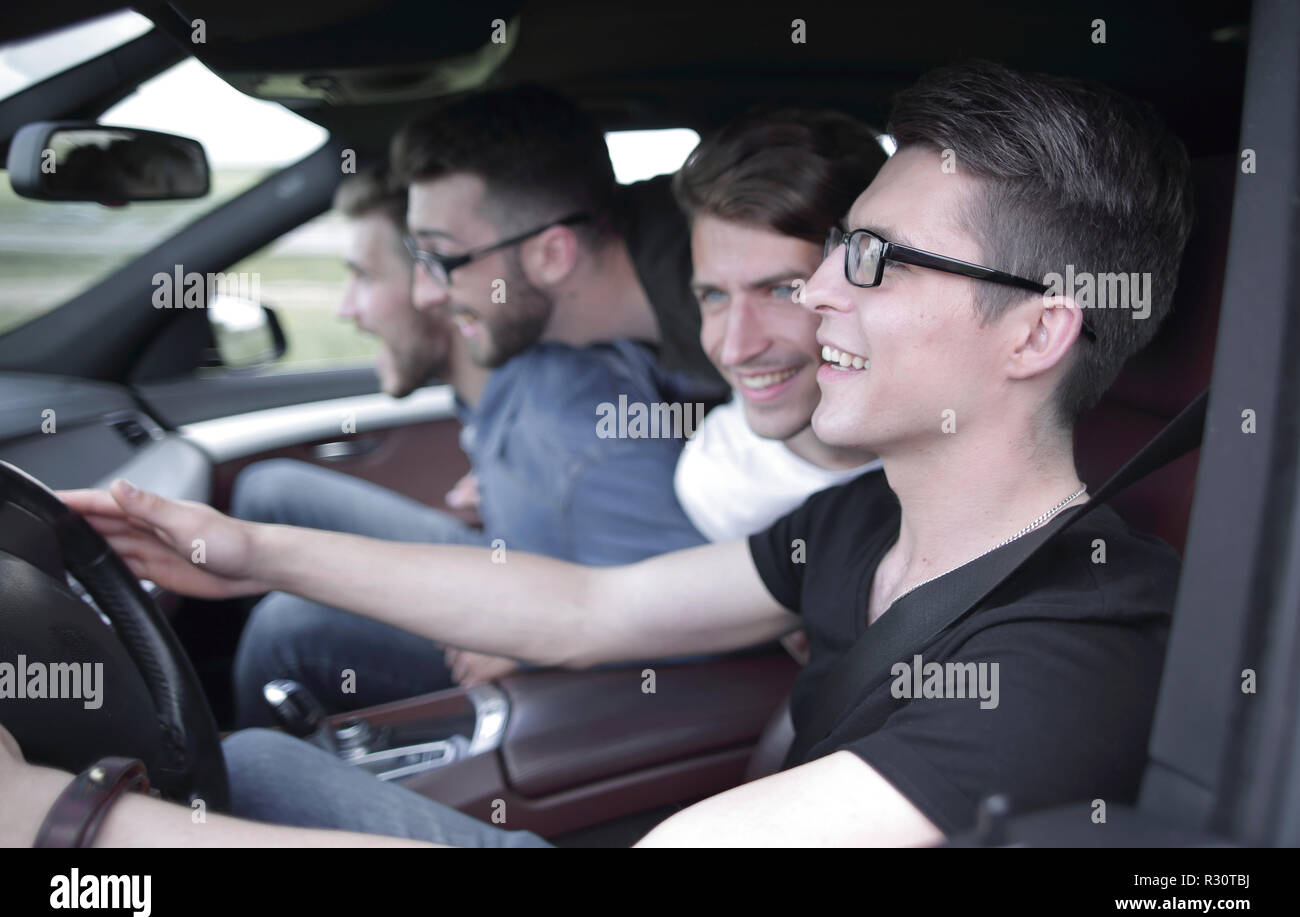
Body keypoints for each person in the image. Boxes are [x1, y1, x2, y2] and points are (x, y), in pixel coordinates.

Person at [33, 60, 1195, 847]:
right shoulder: (867, 521)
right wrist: (250, 549)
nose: (818, 297)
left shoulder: (1071, 652)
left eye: (876, 263)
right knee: (259, 770)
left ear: (1039, 329)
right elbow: (588, 608)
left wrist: (68, 822)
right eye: (839, 247)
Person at [229, 89, 725, 724]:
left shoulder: (722, 331)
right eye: (417, 258)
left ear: (552, 254)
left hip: (605, 628)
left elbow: (721, 605)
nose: (426, 295)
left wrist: (537, 637)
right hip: (547, 564)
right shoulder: (625, 294)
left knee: (288, 628)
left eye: (441, 258)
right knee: (267, 493)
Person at [446, 107, 888, 685]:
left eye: (783, 289)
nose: (734, 347)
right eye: (712, 297)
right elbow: (609, 611)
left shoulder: (963, 464)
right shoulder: (715, 484)